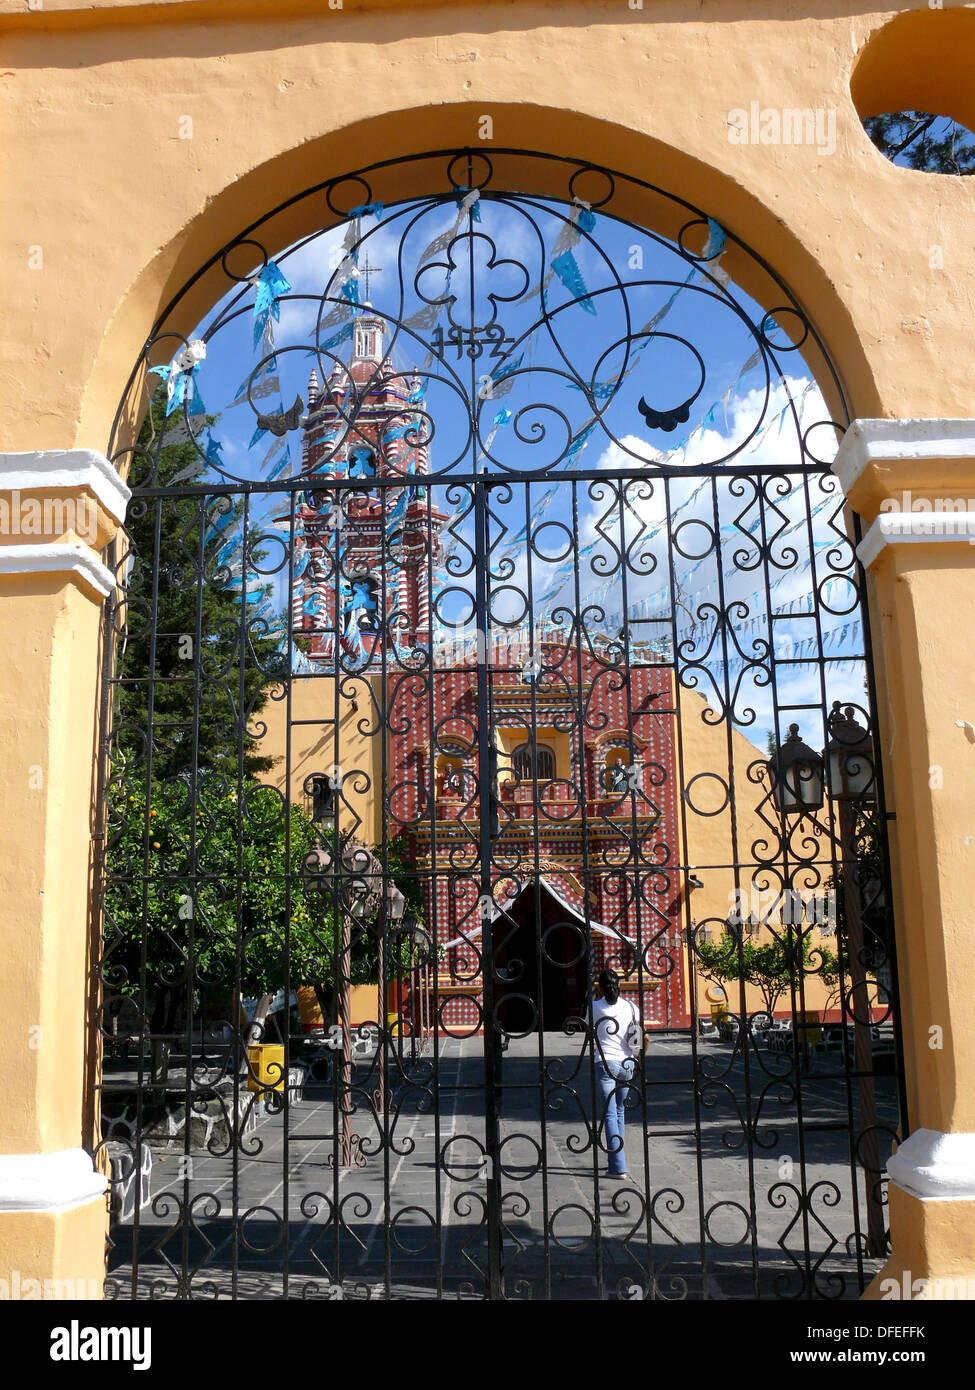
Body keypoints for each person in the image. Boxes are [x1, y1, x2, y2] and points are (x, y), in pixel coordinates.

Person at [591, 967, 642, 1179]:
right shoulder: (631, 1007)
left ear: (600, 988)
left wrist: (597, 996)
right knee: (620, 1111)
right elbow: (637, 1034)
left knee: (610, 1114)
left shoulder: (594, 1007)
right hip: (627, 1064)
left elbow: (586, 1027)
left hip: (606, 1064)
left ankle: (618, 1166)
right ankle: (616, 1159)